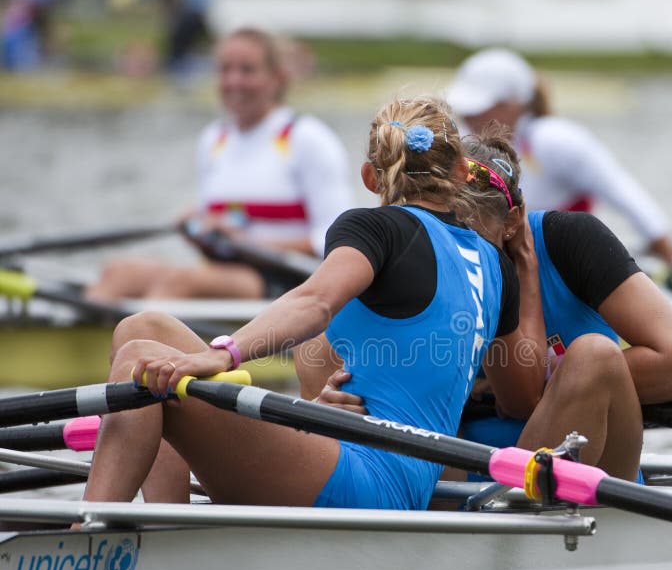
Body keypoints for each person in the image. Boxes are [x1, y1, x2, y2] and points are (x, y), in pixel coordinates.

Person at [79, 96, 543, 510]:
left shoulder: (374, 229)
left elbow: (315, 302)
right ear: (462, 172)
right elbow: (519, 397)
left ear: (369, 176)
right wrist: (527, 265)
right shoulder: (496, 265)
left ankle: (89, 537)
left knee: (140, 359)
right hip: (400, 472)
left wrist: (220, 353)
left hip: (367, 481)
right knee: (143, 330)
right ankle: (168, 530)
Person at [310, 127, 672, 482]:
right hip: (463, 466)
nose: (453, 248)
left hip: (585, 465)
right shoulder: (413, 254)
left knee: (594, 356)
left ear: (512, 222)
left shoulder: (570, 240)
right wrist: (329, 407)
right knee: (315, 345)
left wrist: (555, 384)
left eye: (467, 232)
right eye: (439, 228)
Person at [86, 27, 353, 301]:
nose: (234, 81)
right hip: (228, 274)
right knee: (118, 270)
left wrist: (247, 245)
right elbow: (218, 241)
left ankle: (145, 339)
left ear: (277, 77)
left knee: (181, 281)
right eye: (225, 70)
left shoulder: (307, 138)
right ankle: (102, 338)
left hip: (291, 284)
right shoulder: (215, 140)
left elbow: (336, 243)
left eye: (247, 70)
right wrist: (198, 233)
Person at [445, 48, 672, 265]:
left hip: (562, 266)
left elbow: (626, 196)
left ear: (514, 103)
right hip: (504, 262)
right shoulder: (464, 142)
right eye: (466, 109)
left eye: (478, 108)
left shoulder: (556, 140)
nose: (469, 117)